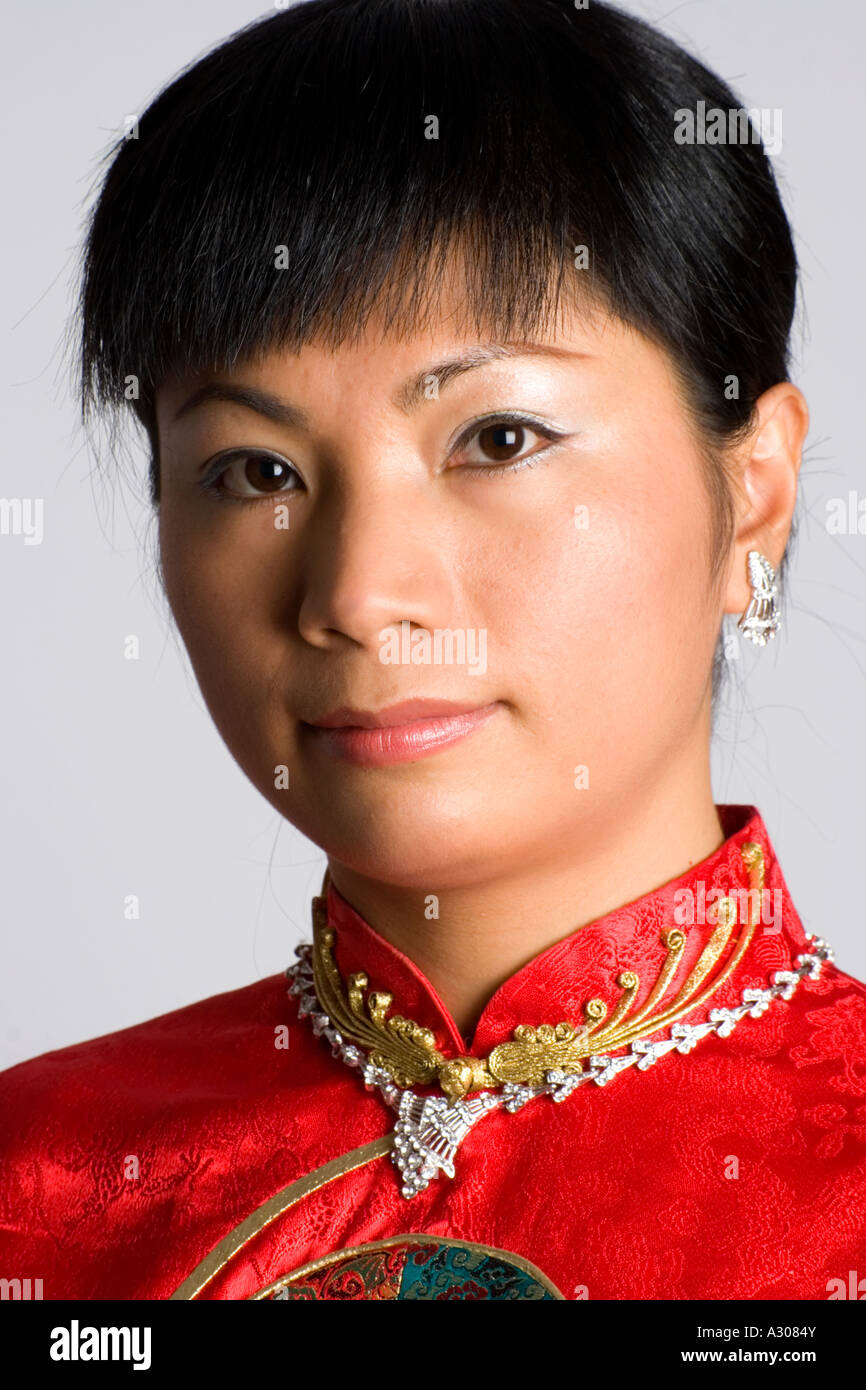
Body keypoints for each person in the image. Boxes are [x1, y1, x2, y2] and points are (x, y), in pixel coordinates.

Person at [1, 0, 864, 1301]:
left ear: (751, 490)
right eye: (256, 467)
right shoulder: (39, 1183)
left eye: (497, 439)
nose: (355, 592)